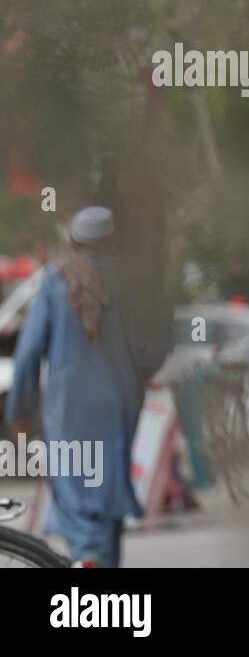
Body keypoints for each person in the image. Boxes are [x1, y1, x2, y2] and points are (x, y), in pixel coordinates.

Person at [4, 207, 144, 567]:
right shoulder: (128, 282)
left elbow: (29, 351)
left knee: (76, 496)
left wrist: (18, 409)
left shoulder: (55, 280)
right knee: (109, 500)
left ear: (73, 240)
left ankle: (86, 560)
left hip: (69, 411)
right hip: (117, 406)